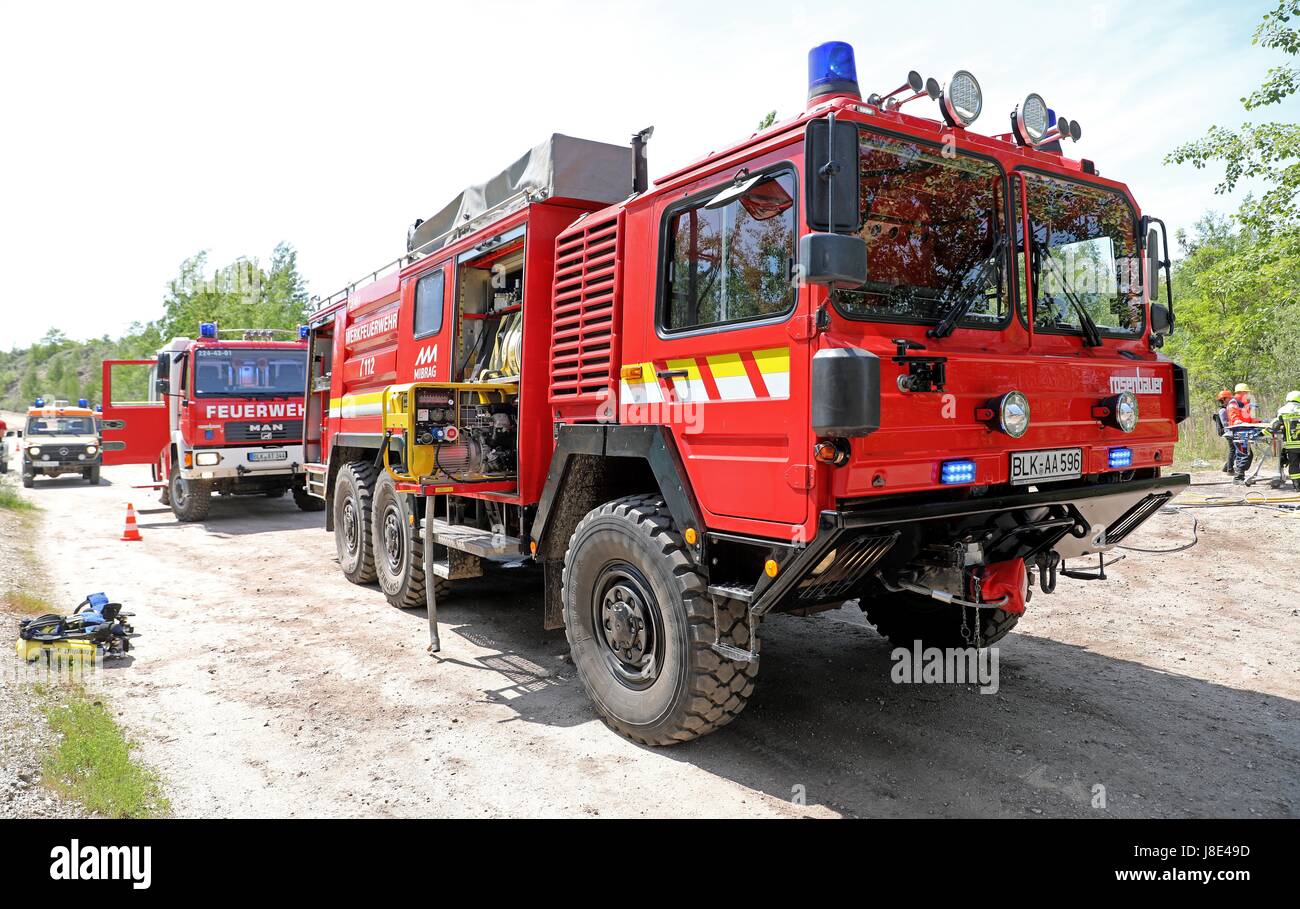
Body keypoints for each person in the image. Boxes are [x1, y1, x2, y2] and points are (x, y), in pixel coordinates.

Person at [1226, 383, 1261, 483]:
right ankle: (1238, 478)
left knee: (1246, 454)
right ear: (1240, 392)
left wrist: (1257, 421)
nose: (1247, 394)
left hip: (1245, 430)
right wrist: (1239, 421)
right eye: (1246, 392)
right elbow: (1234, 417)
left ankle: (1240, 476)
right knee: (1244, 454)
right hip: (1239, 431)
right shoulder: (1234, 403)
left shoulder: (1245, 403)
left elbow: (1249, 418)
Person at [1268, 390, 1300, 489]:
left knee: (1294, 465)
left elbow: (1274, 426)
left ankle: (1297, 486)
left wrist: (1262, 432)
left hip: (1292, 445)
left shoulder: (1282, 410)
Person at [1213, 389, 1234, 473]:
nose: (1231, 400)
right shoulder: (1223, 410)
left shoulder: (1227, 409)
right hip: (1228, 432)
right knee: (1233, 450)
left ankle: (1226, 467)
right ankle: (1229, 469)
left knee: (1235, 450)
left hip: (1231, 431)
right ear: (1224, 399)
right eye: (1229, 398)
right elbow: (1225, 424)